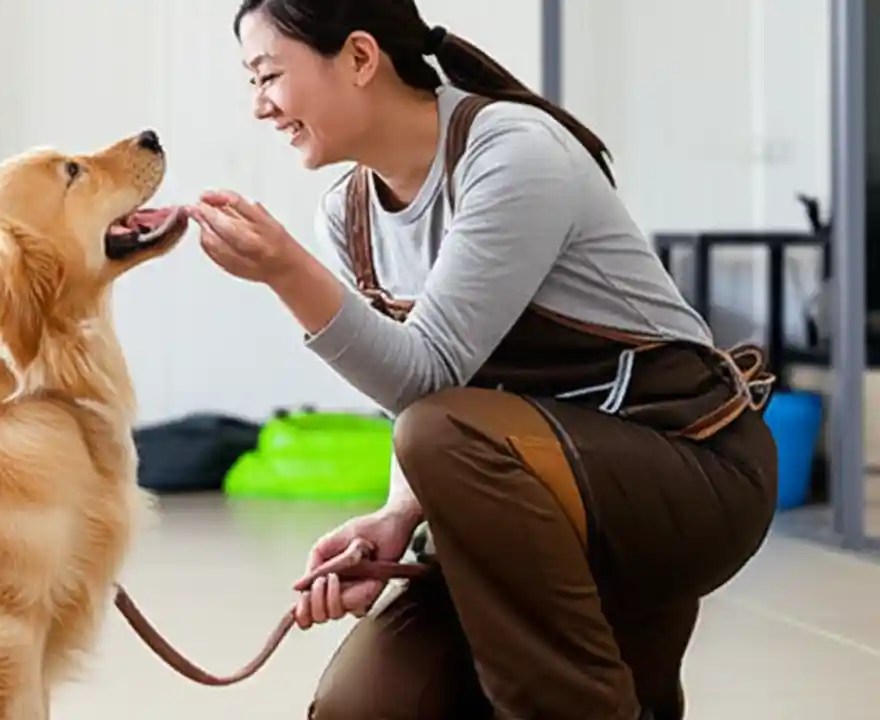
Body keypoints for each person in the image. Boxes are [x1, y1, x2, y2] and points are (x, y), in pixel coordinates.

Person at [185, 1, 779, 719]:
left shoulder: (513, 152)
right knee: (364, 707)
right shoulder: (348, 216)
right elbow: (421, 402)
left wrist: (286, 272)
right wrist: (396, 516)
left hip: (685, 474)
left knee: (444, 432)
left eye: (267, 75)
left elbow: (428, 383)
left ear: (361, 58)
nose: (259, 107)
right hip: (528, 501)